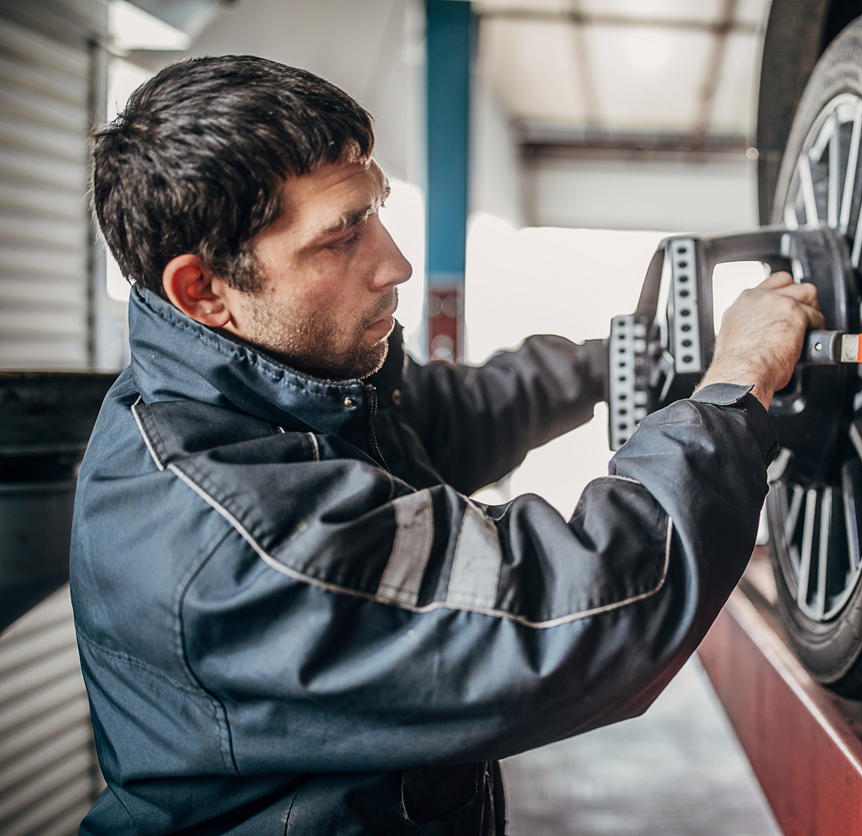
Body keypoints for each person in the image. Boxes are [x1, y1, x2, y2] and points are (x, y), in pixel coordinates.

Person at [73, 55, 823, 835]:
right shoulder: (231, 537)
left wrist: (622, 358)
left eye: (376, 209)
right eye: (340, 238)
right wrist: (736, 384)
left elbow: (460, 414)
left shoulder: (282, 386)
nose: (393, 262)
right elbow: (585, 609)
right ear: (204, 291)